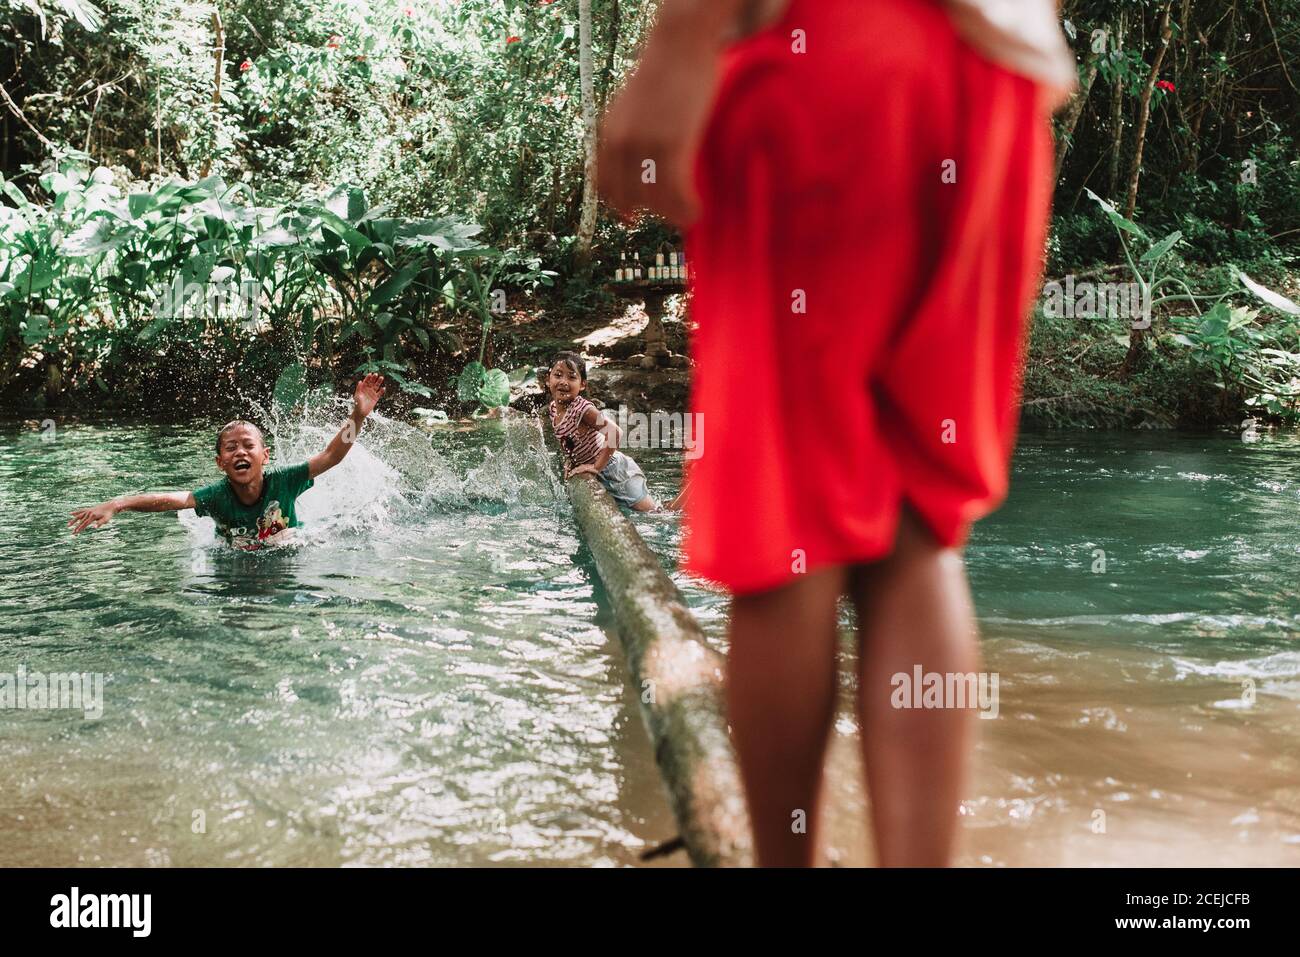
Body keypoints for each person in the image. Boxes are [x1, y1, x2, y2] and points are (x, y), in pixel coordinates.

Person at [598, 0, 1075, 865]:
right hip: (988, 77)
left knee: (790, 525)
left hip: (826, 65)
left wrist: (679, 39)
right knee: (920, 533)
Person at [68, 374, 387, 550]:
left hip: (286, 548)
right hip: (234, 554)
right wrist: (118, 504)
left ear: (265, 456)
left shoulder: (284, 480)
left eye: (248, 446)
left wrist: (357, 415)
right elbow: (171, 500)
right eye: (231, 448)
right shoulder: (217, 496)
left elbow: (332, 456)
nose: (240, 453)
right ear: (220, 462)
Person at [545, 351, 681, 512]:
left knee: (659, 513)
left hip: (614, 470)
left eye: (572, 377)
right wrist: (571, 462)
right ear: (547, 380)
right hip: (601, 469)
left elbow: (615, 432)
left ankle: (695, 488)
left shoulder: (582, 410)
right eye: (558, 375)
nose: (563, 382)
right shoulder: (554, 409)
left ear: (582, 385)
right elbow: (569, 441)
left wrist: (596, 467)